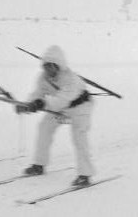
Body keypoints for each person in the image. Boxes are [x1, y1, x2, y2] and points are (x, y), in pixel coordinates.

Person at [16, 46, 95, 187]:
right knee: (44, 128)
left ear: (58, 66)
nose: (48, 70)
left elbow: (61, 100)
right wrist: (27, 105)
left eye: (51, 66)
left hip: (80, 107)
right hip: (59, 108)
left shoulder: (71, 79)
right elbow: (38, 94)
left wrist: (41, 103)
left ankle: (85, 175)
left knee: (79, 137)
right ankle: (39, 165)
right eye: (45, 66)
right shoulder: (42, 78)